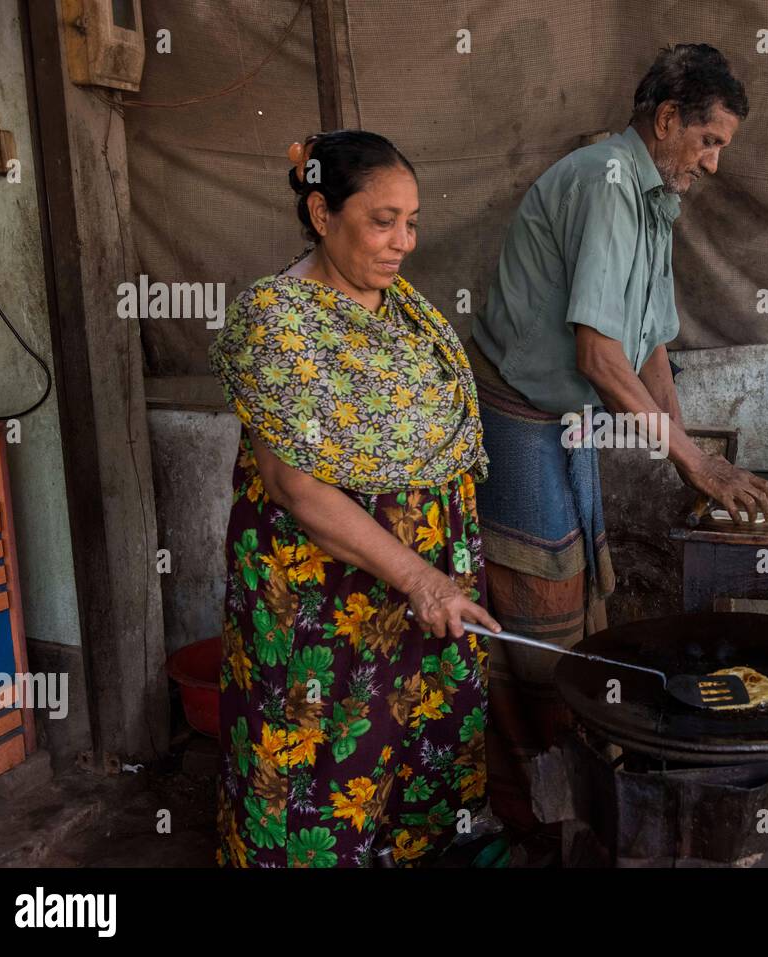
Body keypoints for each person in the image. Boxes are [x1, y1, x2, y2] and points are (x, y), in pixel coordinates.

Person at [470, 43, 768, 835]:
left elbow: (647, 348)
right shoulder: (608, 184)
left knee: (578, 597)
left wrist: (690, 465)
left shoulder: (651, 198)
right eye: (707, 140)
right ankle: (532, 805)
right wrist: (693, 459)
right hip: (519, 414)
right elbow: (598, 356)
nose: (711, 164)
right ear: (667, 119)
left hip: (565, 420)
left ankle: (572, 778)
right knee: (537, 605)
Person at [208, 129, 499, 867]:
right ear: (320, 212)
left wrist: (437, 576)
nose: (403, 240)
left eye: (412, 220)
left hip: (421, 611)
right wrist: (421, 575)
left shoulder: (403, 313)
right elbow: (295, 486)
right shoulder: (278, 322)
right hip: (327, 610)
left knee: (417, 770)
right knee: (320, 775)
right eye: (382, 219)